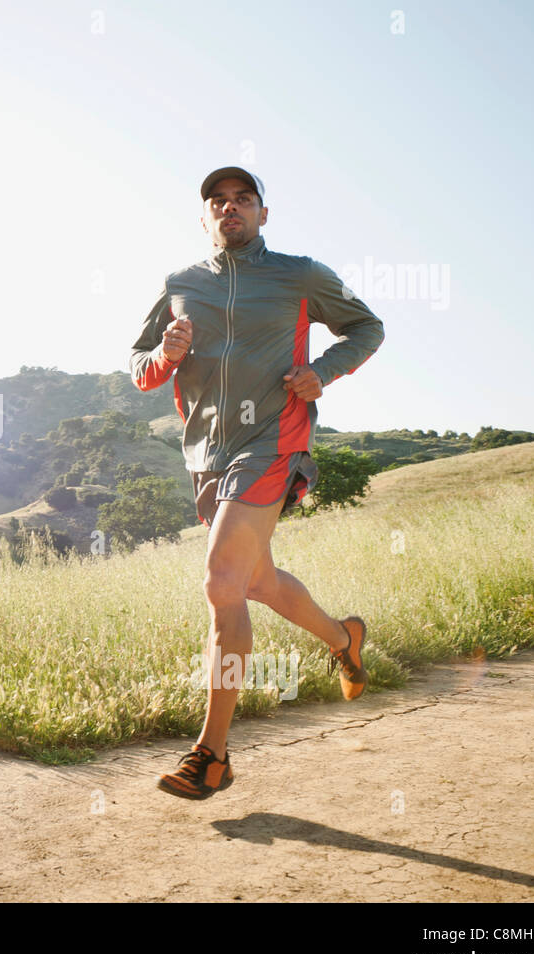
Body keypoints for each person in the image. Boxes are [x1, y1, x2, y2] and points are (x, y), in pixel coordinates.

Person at [129, 166, 384, 799]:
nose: (229, 207)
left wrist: (323, 371)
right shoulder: (180, 286)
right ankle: (343, 638)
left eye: (243, 198)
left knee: (221, 580)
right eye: (217, 200)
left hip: (273, 439)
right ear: (205, 218)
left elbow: (367, 327)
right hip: (207, 454)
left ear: (263, 214)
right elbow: (140, 368)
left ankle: (211, 755)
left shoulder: (300, 275)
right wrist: (166, 355)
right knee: (257, 581)